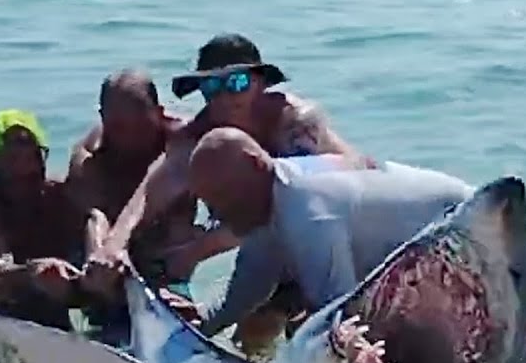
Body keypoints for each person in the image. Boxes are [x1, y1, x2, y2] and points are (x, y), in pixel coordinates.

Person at [79, 34, 364, 317]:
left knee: (313, 324)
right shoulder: (196, 137)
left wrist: (197, 250)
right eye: (213, 86)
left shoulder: (293, 123)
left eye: (237, 83)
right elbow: (151, 192)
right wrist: (115, 244)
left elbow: (300, 204)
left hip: (344, 233)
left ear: (260, 83)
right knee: (253, 336)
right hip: (275, 248)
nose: (225, 97)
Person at [166, 128, 473, 338]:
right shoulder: (268, 203)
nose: (220, 216)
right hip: (417, 253)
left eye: (223, 199)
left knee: (312, 331)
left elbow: (342, 313)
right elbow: (248, 290)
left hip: (466, 225)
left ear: (257, 165)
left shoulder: (308, 211)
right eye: (211, 206)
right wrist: (199, 323)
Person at [25, 70, 203, 338]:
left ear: (160, 112)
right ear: (102, 118)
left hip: (165, 259)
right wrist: (100, 263)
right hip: (105, 255)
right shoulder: (89, 158)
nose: (130, 137)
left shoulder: (183, 142)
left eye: (141, 125)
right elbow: (95, 217)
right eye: (118, 126)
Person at [0, 109, 86, 331]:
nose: (24, 169)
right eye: (11, 160)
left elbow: (98, 212)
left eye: (32, 157)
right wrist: (32, 273)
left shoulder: (59, 196)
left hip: (49, 320)